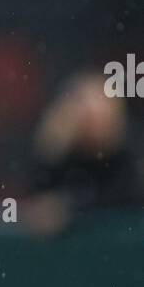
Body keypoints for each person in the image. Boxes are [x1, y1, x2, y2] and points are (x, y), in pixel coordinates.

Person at [22, 70, 144, 235]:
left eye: (101, 113)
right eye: (88, 116)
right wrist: (51, 147)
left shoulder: (130, 153)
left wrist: (68, 207)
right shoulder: (64, 155)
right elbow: (39, 197)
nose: (95, 124)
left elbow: (123, 197)